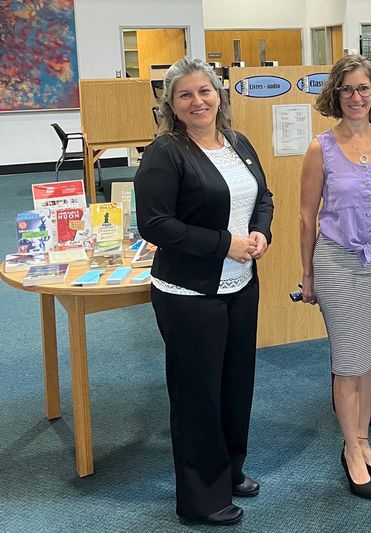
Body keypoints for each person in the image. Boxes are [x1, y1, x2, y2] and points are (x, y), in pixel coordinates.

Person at [135, 57, 274, 526]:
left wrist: (260, 234)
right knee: (197, 395)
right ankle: (201, 498)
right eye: (185, 95)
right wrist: (224, 245)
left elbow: (263, 197)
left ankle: (230, 471)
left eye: (205, 91)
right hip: (188, 292)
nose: (198, 101)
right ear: (171, 105)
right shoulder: (166, 152)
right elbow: (154, 224)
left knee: (236, 386)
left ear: (220, 95)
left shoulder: (238, 143)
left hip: (241, 285)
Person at [299, 54, 371, 500]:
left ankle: (364, 438)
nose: (356, 97)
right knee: (348, 362)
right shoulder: (320, 148)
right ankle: (350, 449)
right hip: (336, 263)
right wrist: (307, 273)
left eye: (363, 88)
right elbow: (307, 216)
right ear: (335, 94)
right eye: (346, 89)